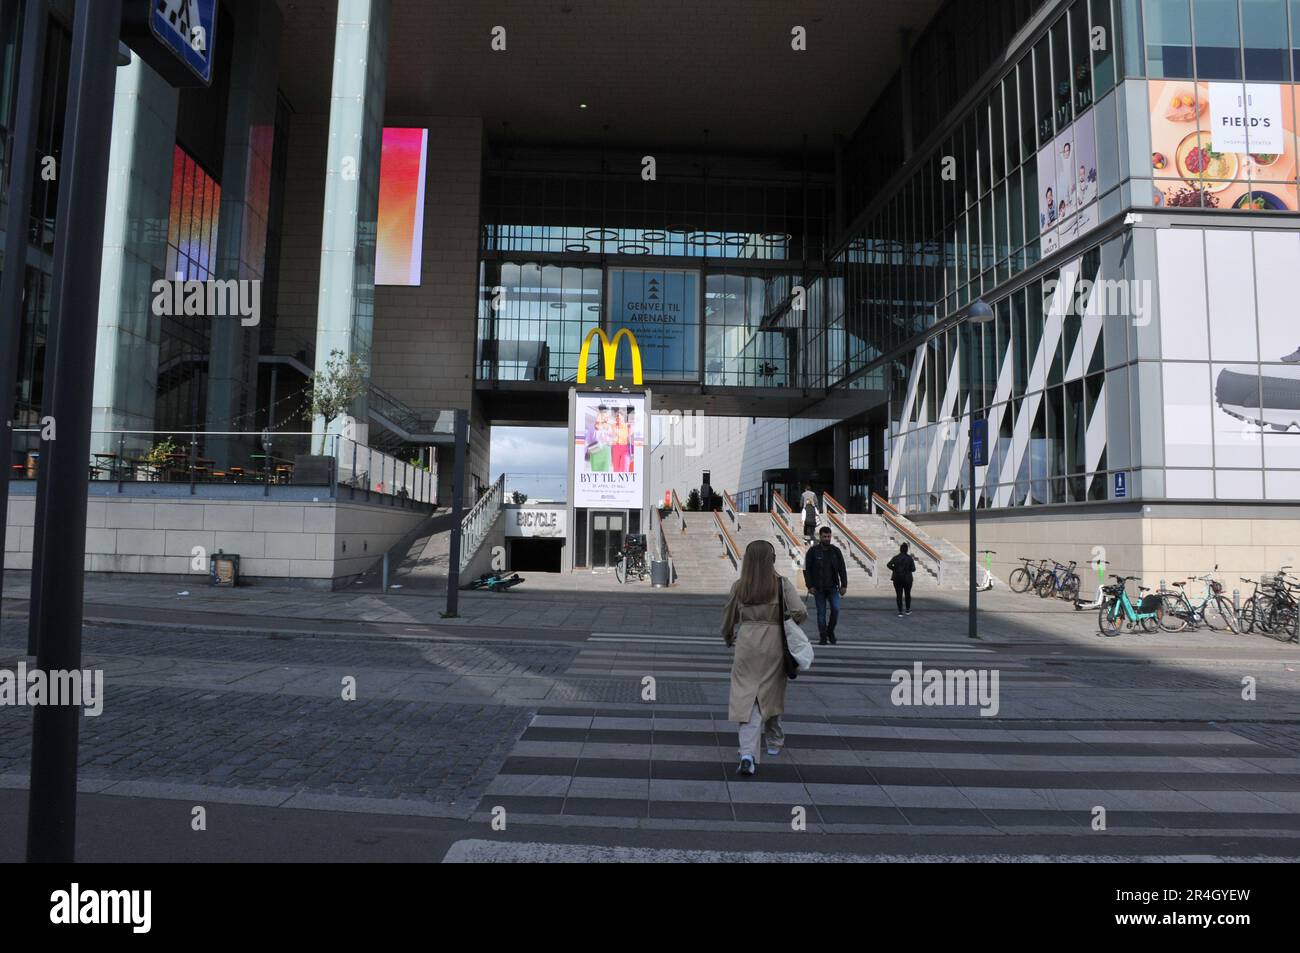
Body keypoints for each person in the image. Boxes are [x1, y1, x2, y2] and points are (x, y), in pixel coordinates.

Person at [721, 540, 807, 776]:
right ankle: (774, 742)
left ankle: (748, 752)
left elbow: (728, 618)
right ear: (772, 560)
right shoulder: (781, 584)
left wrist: (729, 637)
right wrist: (786, 619)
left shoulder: (740, 586)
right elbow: (800, 611)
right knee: (770, 692)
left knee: (747, 696)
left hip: (747, 643)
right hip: (774, 643)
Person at [803, 525, 847, 646]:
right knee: (821, 613)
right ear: (820, 537)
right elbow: (806, 569)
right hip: (819, 588)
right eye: (824, 537)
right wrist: (809, 585)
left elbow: (842, 568)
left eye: (829, 536)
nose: (827, 539)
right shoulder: (813, 551)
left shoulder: (835, 551)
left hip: (833, 587)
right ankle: (823, 636)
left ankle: (830, 631)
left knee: (836, 609)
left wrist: (844, 585)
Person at [887, 542, 917, 617]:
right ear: (907, 550)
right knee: (907, 594)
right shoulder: (909, 558)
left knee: (899, 595)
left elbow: (888, 565)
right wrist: (908, 569)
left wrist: (894, 569)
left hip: (897, 578)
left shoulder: (896, 557)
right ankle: (907, 610)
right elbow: (913, 569)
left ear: (900, 549)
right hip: (907, 578)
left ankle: (900, 612)